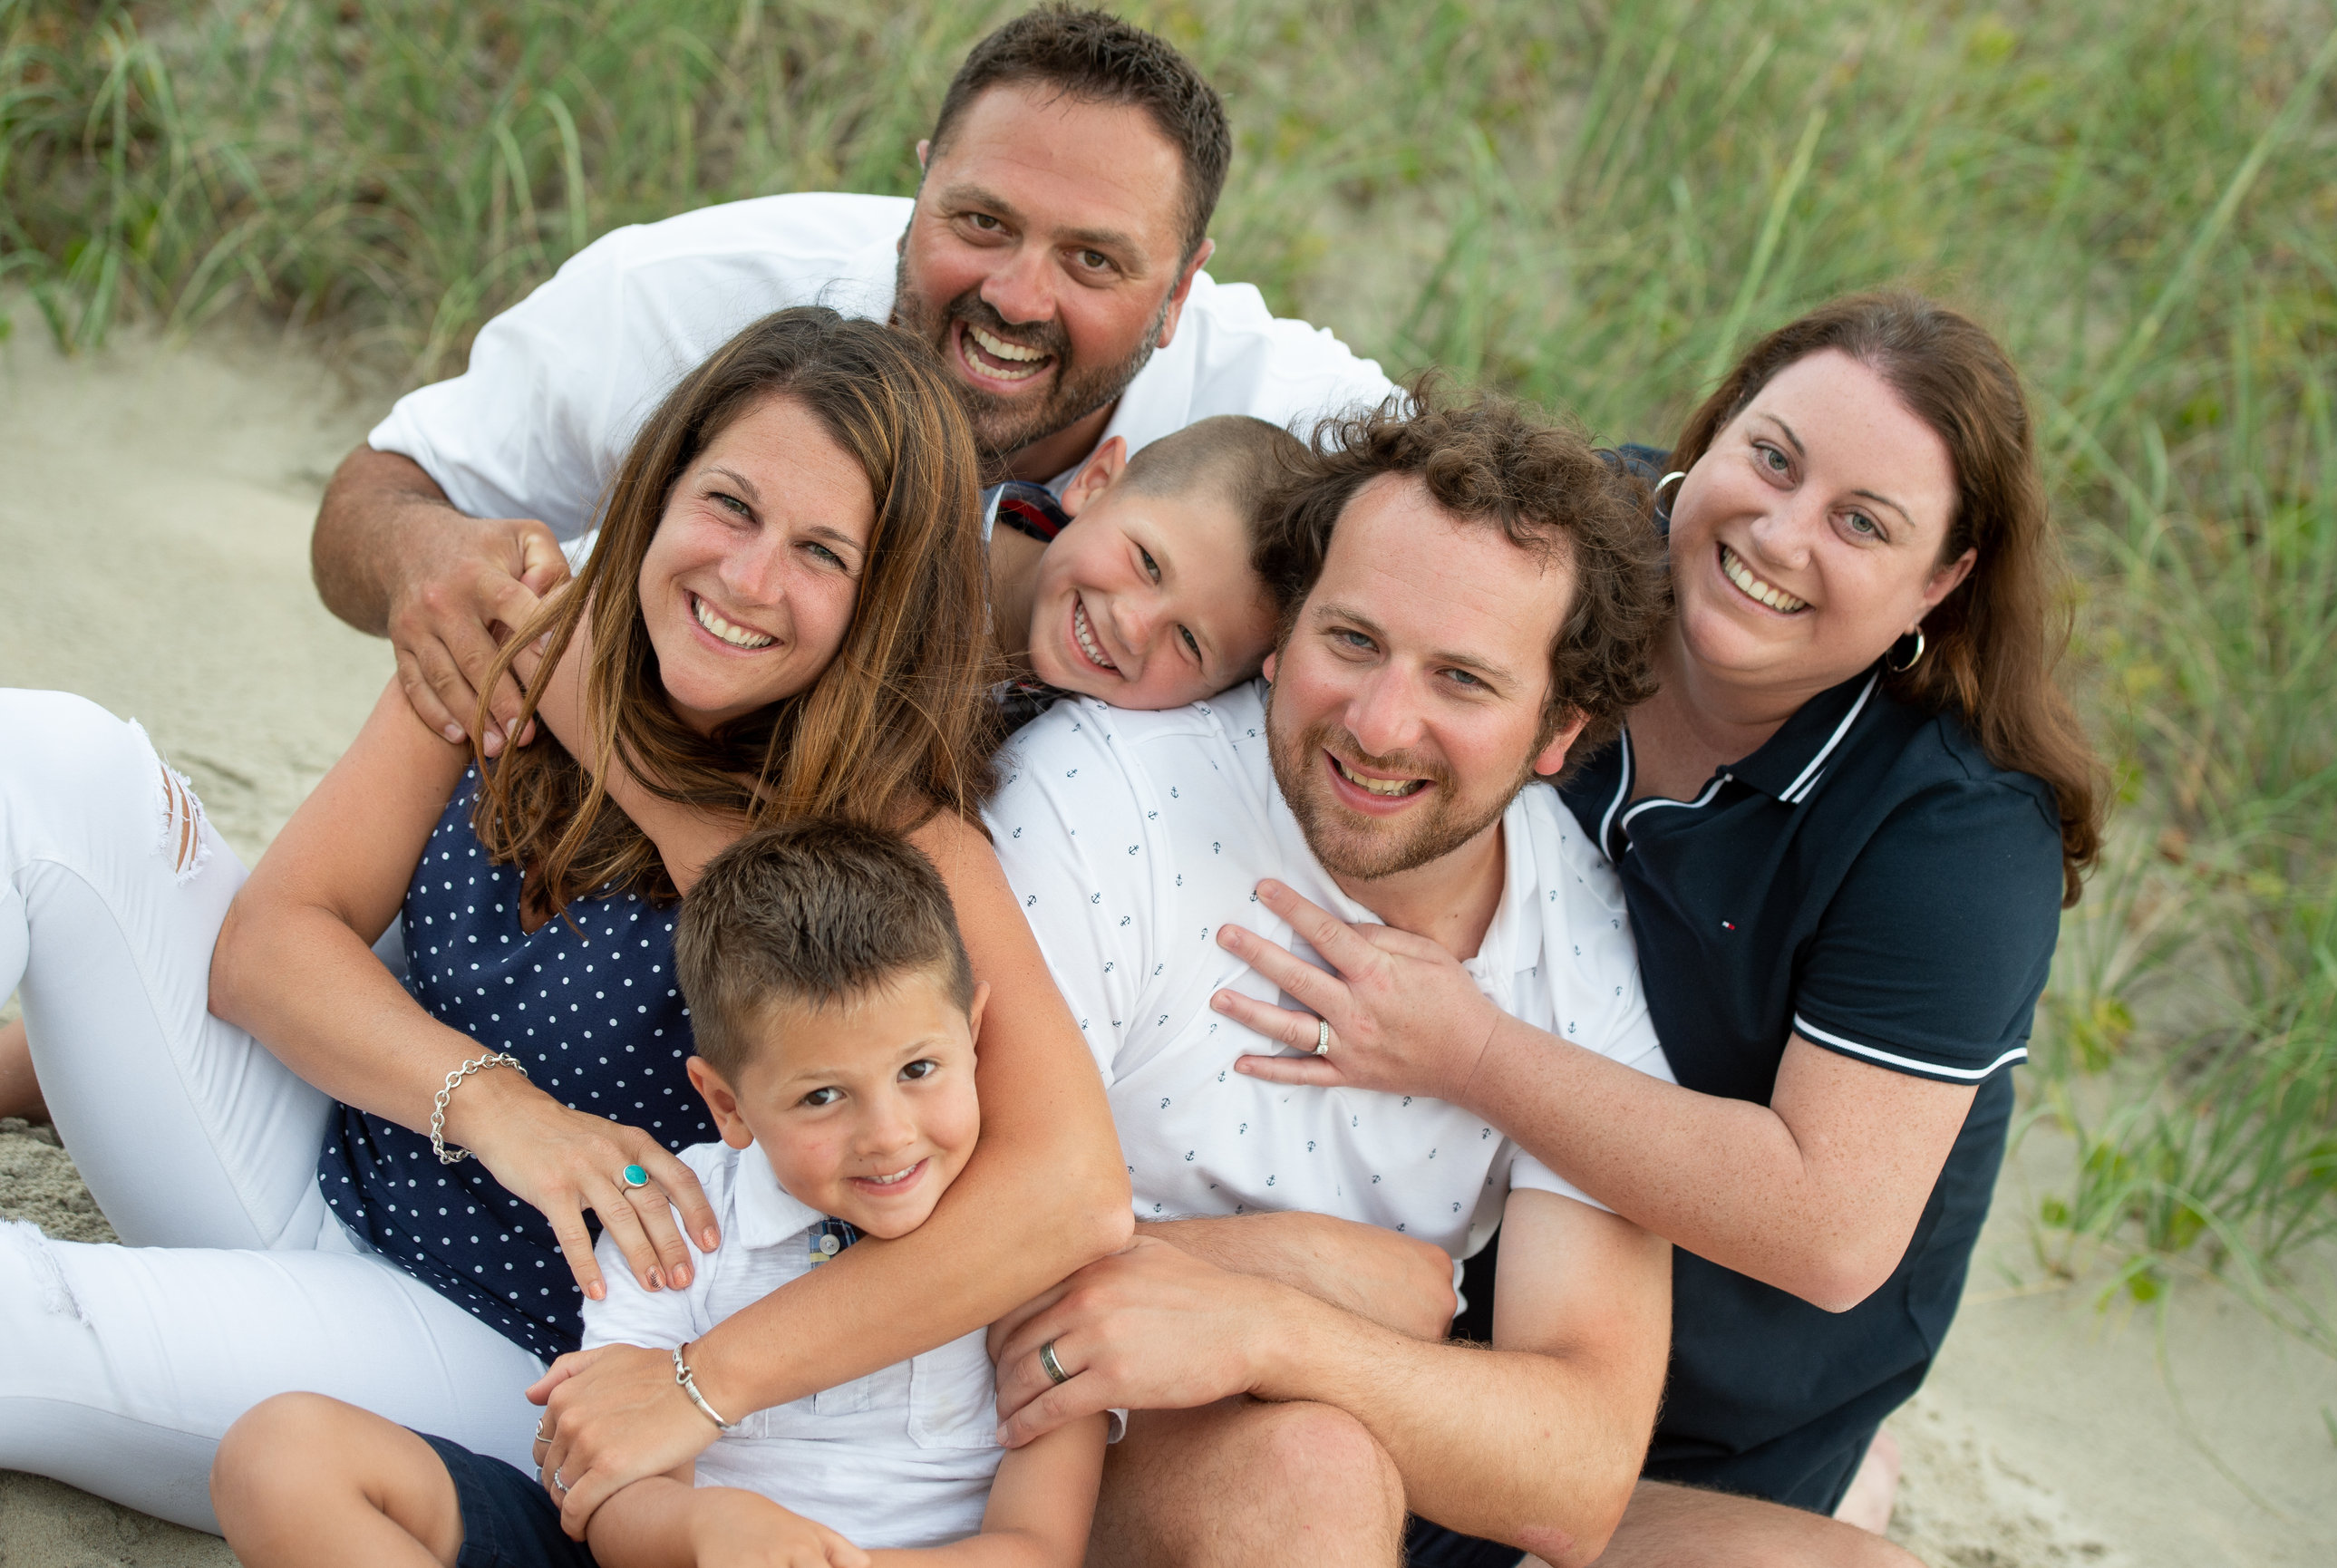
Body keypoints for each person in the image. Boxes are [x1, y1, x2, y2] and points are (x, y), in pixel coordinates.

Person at [0, 305, 1129, 1534]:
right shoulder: (530, 644)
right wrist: (498, 1108)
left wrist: (702, 1383)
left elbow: (1071, 1193)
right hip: (309, 1150)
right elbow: (271, 943)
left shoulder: (904, 845)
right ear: (659, 488)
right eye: (730, 506)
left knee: (23, 1316)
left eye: (821, 554)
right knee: (48, 759)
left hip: (503, 1347)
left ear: (877, 602)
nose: (747, 578)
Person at [1213, 294, 2104, 1565]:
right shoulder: (1569, 554)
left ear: (1941, 581)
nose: (1778, 533)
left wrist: (1467, 1050)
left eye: (1861, 522)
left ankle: (1830, 1493)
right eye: (1770, 458)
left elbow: (1830, 1225)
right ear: (1709, 434)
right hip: (1424, 1283)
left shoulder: (1953, 835)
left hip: (1695, 1411)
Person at [975, 388, 1681, 1568]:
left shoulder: (1571, 926)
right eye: (1349, 640)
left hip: (1338, 1455)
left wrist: (1271, 1323)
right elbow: (933, 1244)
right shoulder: (1098, 795)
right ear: (1286, 626)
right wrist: (1361, 1278)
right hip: (1014, 1454)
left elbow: (1576, 1471)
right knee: (1310, 1471)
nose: (1377, 722)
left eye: (1460, 679)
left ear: (1556, 730)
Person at [310, 5, 1396, 757]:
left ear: (1180, 288)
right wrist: (424, 555)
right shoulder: (689, 293)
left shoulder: (1285, 409)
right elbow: (375, 493)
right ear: (917, 182)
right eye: (980, 222)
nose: (1017, 297)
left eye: (1093, 261)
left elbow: (1527, 528)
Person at [211, 820, 1109, 1568]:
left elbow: (1039, 1544)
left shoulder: (1027, 1241)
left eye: (919, 1067)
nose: (887, 1131)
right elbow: (611, 1493)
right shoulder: (684, 1218)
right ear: (727, 1102)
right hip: (684, 1553)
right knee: (282, 1452)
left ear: (974, 1033)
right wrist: (706, 1527)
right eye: (821, 1095)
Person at [986, 415, 1310, 712]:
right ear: (1095, 483)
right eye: (1148, 563)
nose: (1133, 629)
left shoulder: (1068, 749)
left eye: (1189, 641)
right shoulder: (938, 516)